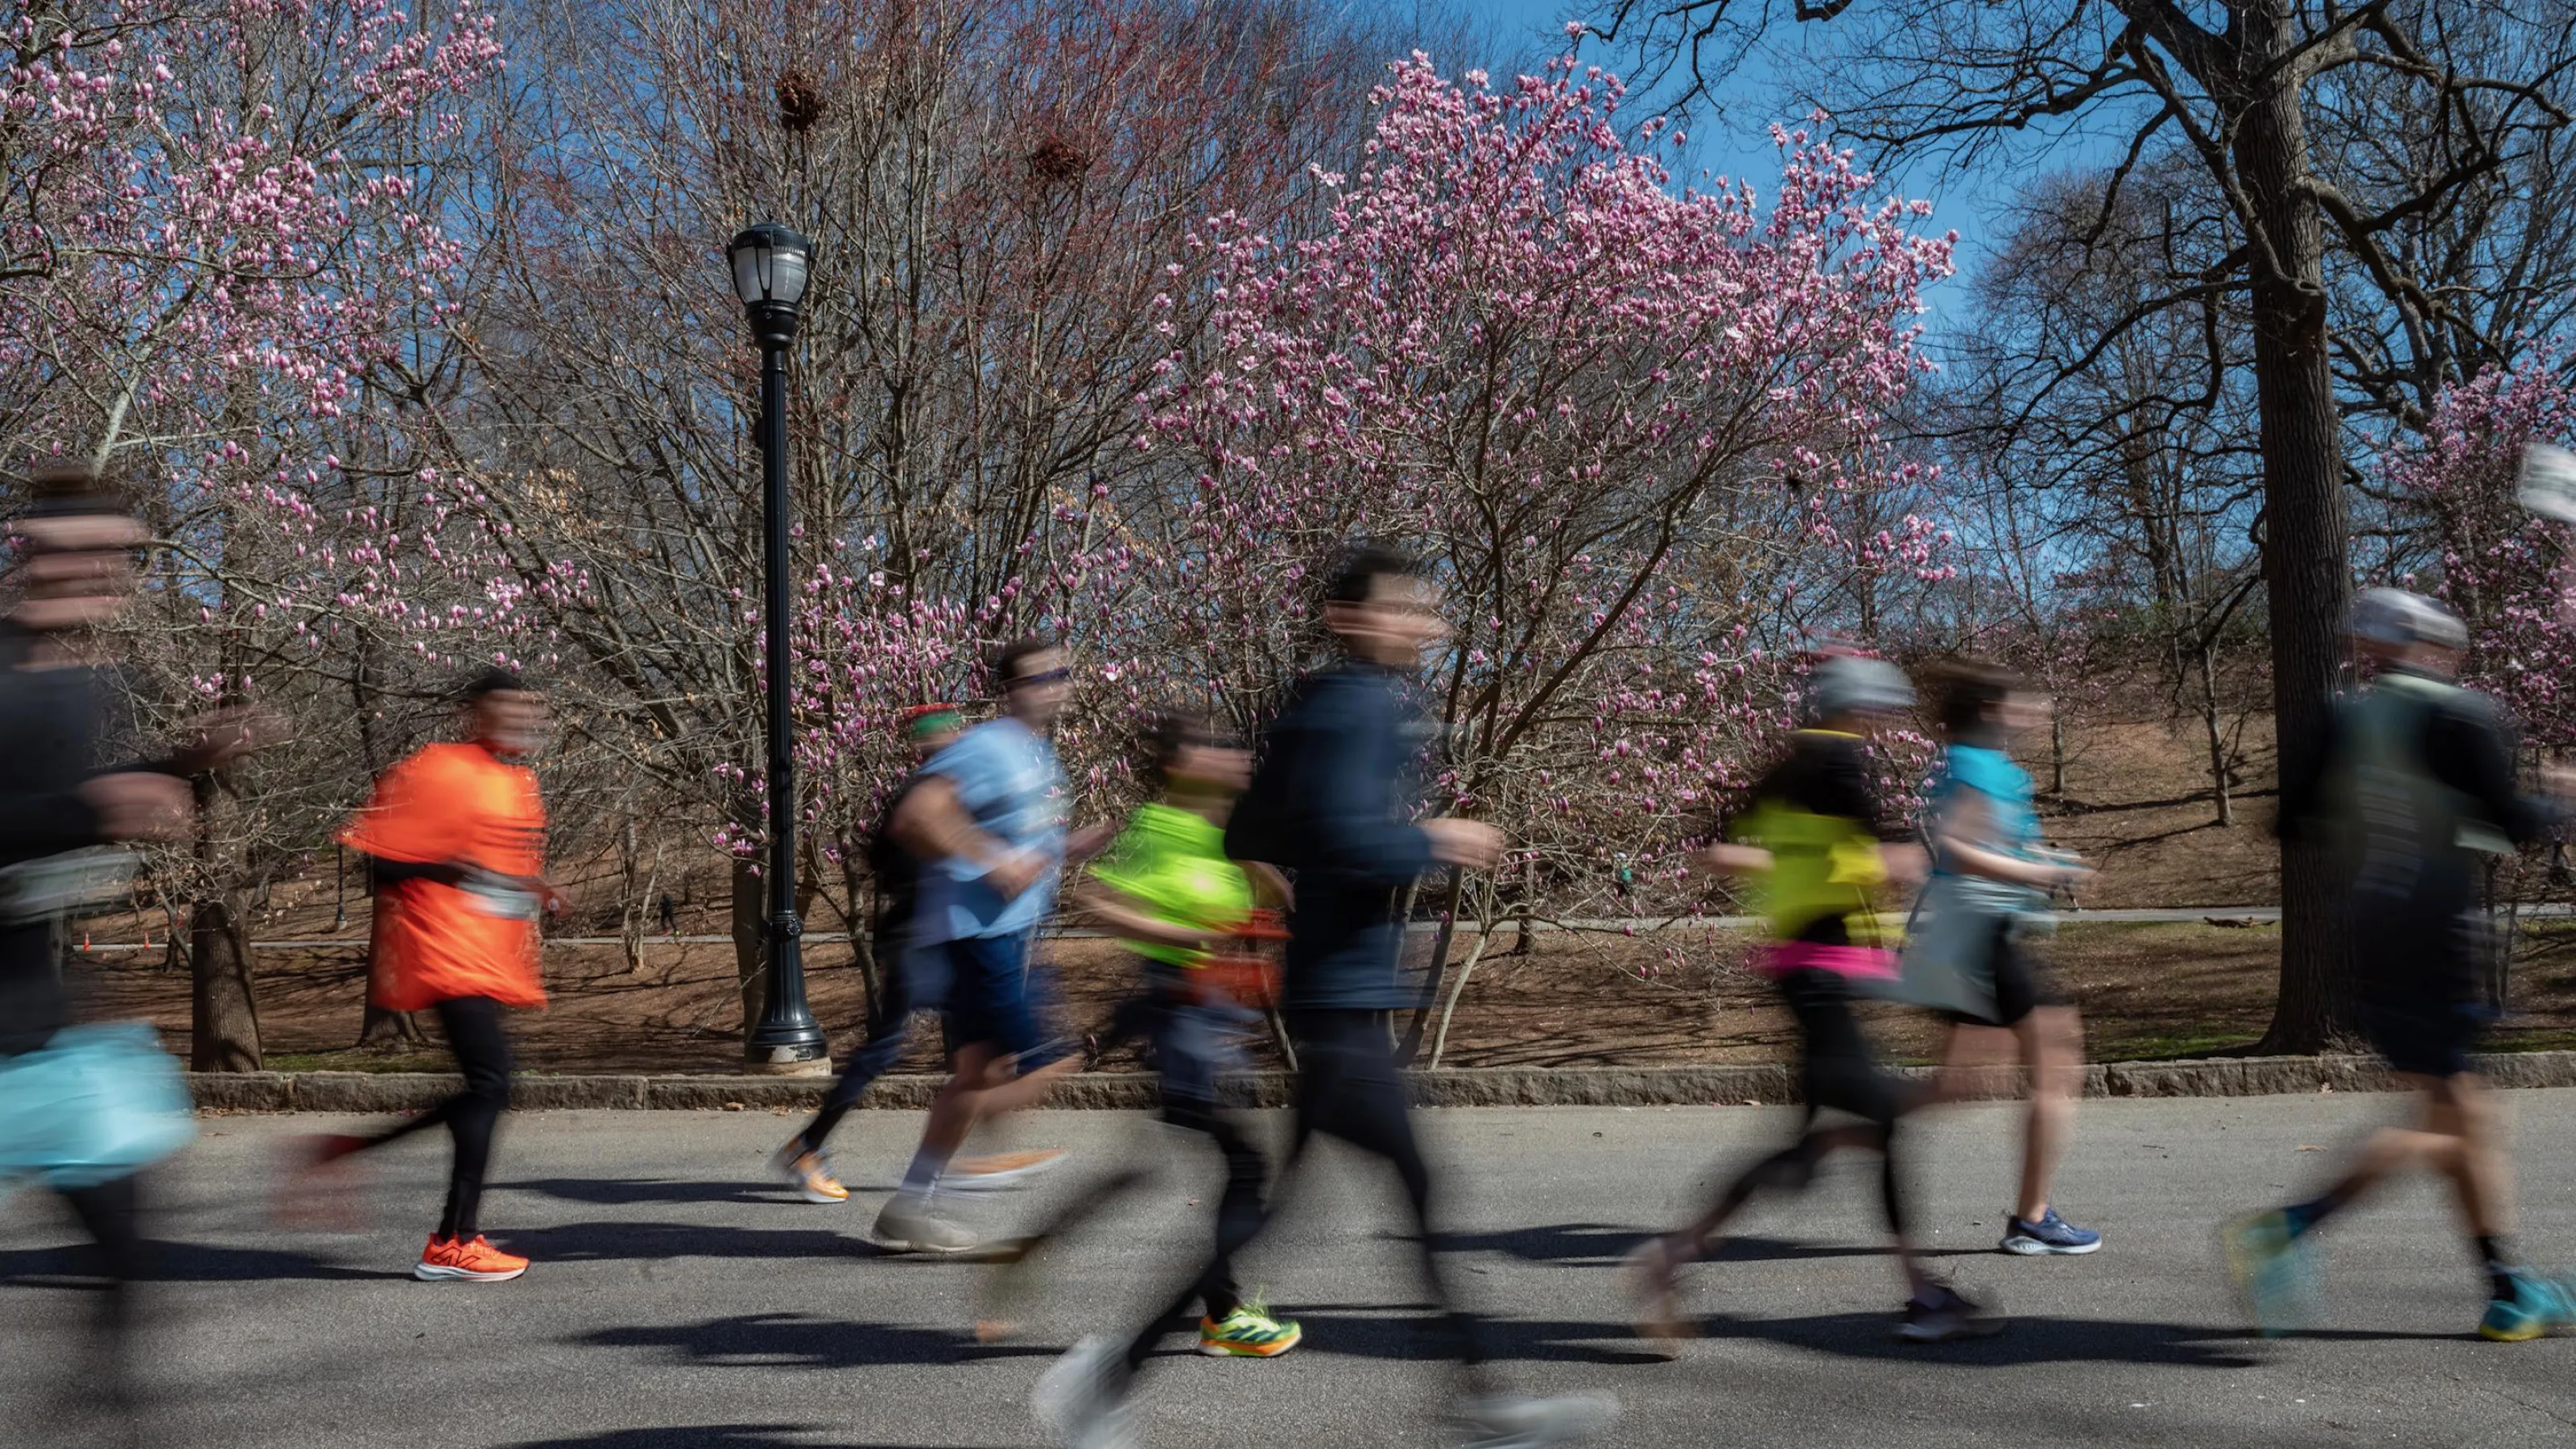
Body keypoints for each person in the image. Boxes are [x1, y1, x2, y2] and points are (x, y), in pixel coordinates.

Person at [1033, 544, 1614, 1449]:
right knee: (1406, 1189)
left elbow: (1259, 828)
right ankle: (1481, 1405)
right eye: (1402, 609)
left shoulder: (1325, 707)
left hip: (1330, 988)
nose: (1422, 625)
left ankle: (1106, 1384)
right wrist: (1434, 841)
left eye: (1426, 609)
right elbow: (1342, 838)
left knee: (1289, 1207)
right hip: (1339, 997)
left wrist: (1318, 865)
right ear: (1349, 618)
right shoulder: (1352, 709)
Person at [2229, 587, 2576, 1341]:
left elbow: (2290, 824)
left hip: (2373, 935)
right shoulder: (2459, 715)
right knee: (2453, 1121)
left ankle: (2509, 1288)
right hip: (2436, 937)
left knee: (2464, 1115)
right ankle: (2288, 1227)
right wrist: (2561, 800)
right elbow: (2514, 824)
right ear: (2428, 646)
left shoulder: (2340, 719)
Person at [1627, 654, 1996, 1347]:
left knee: (1806, 1149)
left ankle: (1672, 1259)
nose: (1884, 724)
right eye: (1881, 711)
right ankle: (1921, 1296)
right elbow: (1900, 862)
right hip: (1823, 976)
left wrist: (1803, 863)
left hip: (1802, 970)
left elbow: (1721, 853)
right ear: (1860, 710)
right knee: (1874, 1125)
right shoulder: (1843, 764)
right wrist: (1898, 856)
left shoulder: (1788, 764)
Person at [0, 462, 233, 1421]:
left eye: (125, 556)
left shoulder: (92, 679)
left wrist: (181, 762)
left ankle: (111, 1413)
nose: (110, 572)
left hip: (32, 1019)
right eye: (89, 549)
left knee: (126, 1228)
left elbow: (58, 822)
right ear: (32, 550)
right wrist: (90, 808)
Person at [983, 711, 1299, 1359]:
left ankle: (1034, 1248)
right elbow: (1096, 900)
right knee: (1245, 1165)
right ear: (1184, 766)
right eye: (1222, 749)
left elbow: (1252, 890)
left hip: (1212, 1021)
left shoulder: (1222, 829)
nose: (1238, 758)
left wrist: (1271, 886)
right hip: (1184, 1020)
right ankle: (1224, 1314)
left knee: (1151, 1167)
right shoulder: (1160, 828)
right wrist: (1188, 936)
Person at [288, 669, 564, 1283]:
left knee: (485, 1089)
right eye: (507, 711)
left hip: (485, 955)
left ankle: (345, 1154)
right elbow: (384, 863)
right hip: (444, 949)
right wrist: (461, 873)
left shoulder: (517, 781)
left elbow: (492, 866)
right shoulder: (437, 768)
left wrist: (527, 888)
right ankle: (452, 1241)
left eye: (530, 713)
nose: (521, 723)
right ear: (474, 714)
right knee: (492, 1085)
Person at [771, 704, 1061, 1204]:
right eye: (944, 736)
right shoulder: (921, 797)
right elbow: (892, 857)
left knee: (976, 1048)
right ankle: (809, 1147)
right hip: (920, 941)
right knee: (897, 1046)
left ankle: (966, 1155)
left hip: (940, 936)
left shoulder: (952, 790)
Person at [872, 642, 1093, 1253]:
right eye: (1037, 677)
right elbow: (916, 816)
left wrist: (1065, 849)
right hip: (981, 935)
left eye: (1060, 673)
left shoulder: (1034, 754)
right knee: (1051, 1058)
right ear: (1010, 689)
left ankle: (911, 1204)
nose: (1053, 685)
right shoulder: (991, 746)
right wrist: (992, 860)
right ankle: (964, 1181)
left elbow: (1015, 841)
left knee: (977, 1072)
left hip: (997, 934)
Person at [1902, 660, 2102, 1257]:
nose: (2037, 710)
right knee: (2060, 1064)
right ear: (1993, 710)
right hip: (1981, 934)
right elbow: (1957, 849)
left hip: (1985, 934)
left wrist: (2050, 860)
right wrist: (2040, 869)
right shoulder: (1970, 764)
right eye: (2025, 701)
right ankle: (2032, 1219)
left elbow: (2002, 841)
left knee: (1957, 1086)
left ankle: (1847, 1123)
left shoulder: (1993, 768)